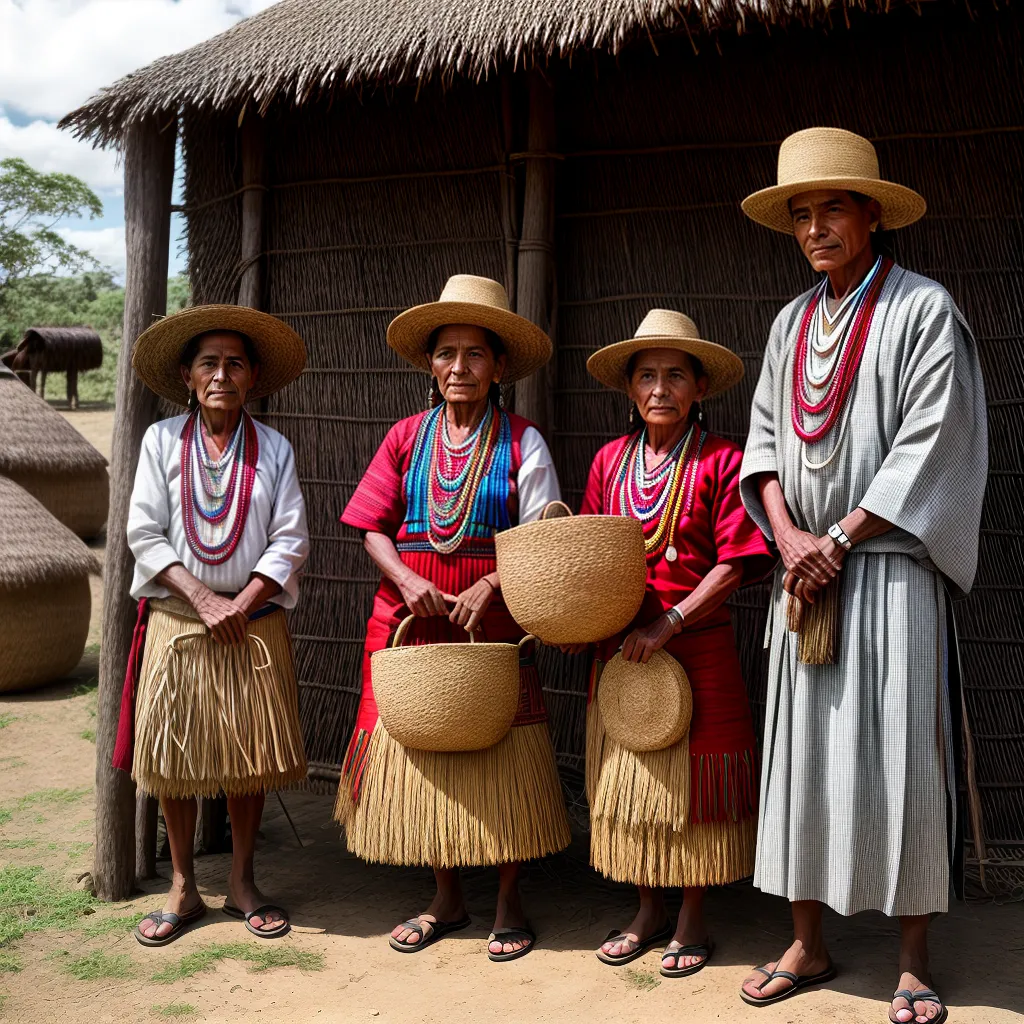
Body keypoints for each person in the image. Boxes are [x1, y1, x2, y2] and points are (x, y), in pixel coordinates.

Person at [738, 128, 987, 1023]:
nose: (815, 227)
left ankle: (914, 958)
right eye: (801, 214)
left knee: (903, 763)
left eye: (831, 207)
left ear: (871, 213)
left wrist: (836, 537)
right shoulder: (788, 323)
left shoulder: (923, 310)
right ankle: (808, 940)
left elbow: (929, 447)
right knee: (802, 759)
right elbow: (763, 444)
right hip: (803, 576)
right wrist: (790, 537)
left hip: (884, 574)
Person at [336, 274, 571, 962]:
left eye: (475, 354)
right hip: (410, 617)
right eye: (446, 353)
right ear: (429, 365)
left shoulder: (523, 442)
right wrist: (408, 578)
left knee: (500, 755)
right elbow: (370, 526)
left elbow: (544, 537)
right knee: (426, 754)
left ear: (499, 367)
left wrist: (494, 582)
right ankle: (445, 895)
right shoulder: (406, 437)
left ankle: (506, 900)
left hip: (489, 626)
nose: (459, 367)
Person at [580, 309, 773, 976]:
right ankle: (646, 908)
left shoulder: (724, 460)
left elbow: (735, 562)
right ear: (630, 389)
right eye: (646, 376)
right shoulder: (609, 461)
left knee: (694, 789)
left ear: (699, 389)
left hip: (697, 643)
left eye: (674, 376)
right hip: (625, 646)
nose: (659, 388)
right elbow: (591, 553)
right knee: (635, 784)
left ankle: (692, 916)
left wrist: (672, 622)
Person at [117, 305, 310, 946]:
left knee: (249, 756)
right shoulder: (160, 442)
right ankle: (182, 885)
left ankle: (243, 882)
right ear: (187, 376)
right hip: (182, 622)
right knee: (176, 757)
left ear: (253, 376)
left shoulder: (275, 449)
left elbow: (289, 539)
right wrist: (202, 598)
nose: (221, 374)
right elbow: (142, 531)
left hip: (250, 626)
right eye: (208, 363)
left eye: (234, 363)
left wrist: (243, 600)